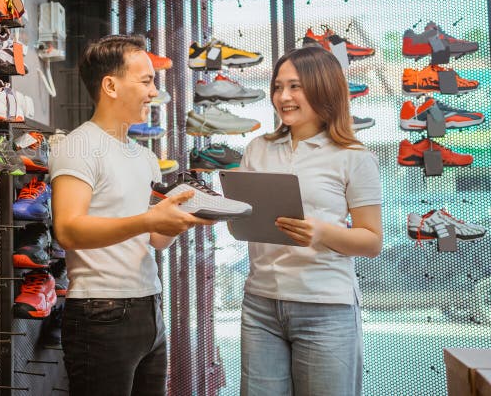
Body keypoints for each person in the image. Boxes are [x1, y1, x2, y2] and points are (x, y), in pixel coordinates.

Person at [49, 35, 213, 396]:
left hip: (149, 307)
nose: (153, 92)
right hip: (99, 312)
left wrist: (182, 218)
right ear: (110, 85)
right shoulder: (78, 145)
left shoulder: (145, 157)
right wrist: (148, 221)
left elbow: (155, 239)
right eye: (146, 81)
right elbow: (68, 230)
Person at [238, 46, 383, 396]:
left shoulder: (354, 157)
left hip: (326, 308)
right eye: (277, 87)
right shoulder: (257, 148)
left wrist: (322, 232)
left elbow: (372, 241)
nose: (282, 96)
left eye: (294, 87)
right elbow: (243, 212)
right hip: (261, 305)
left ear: (323, 89)